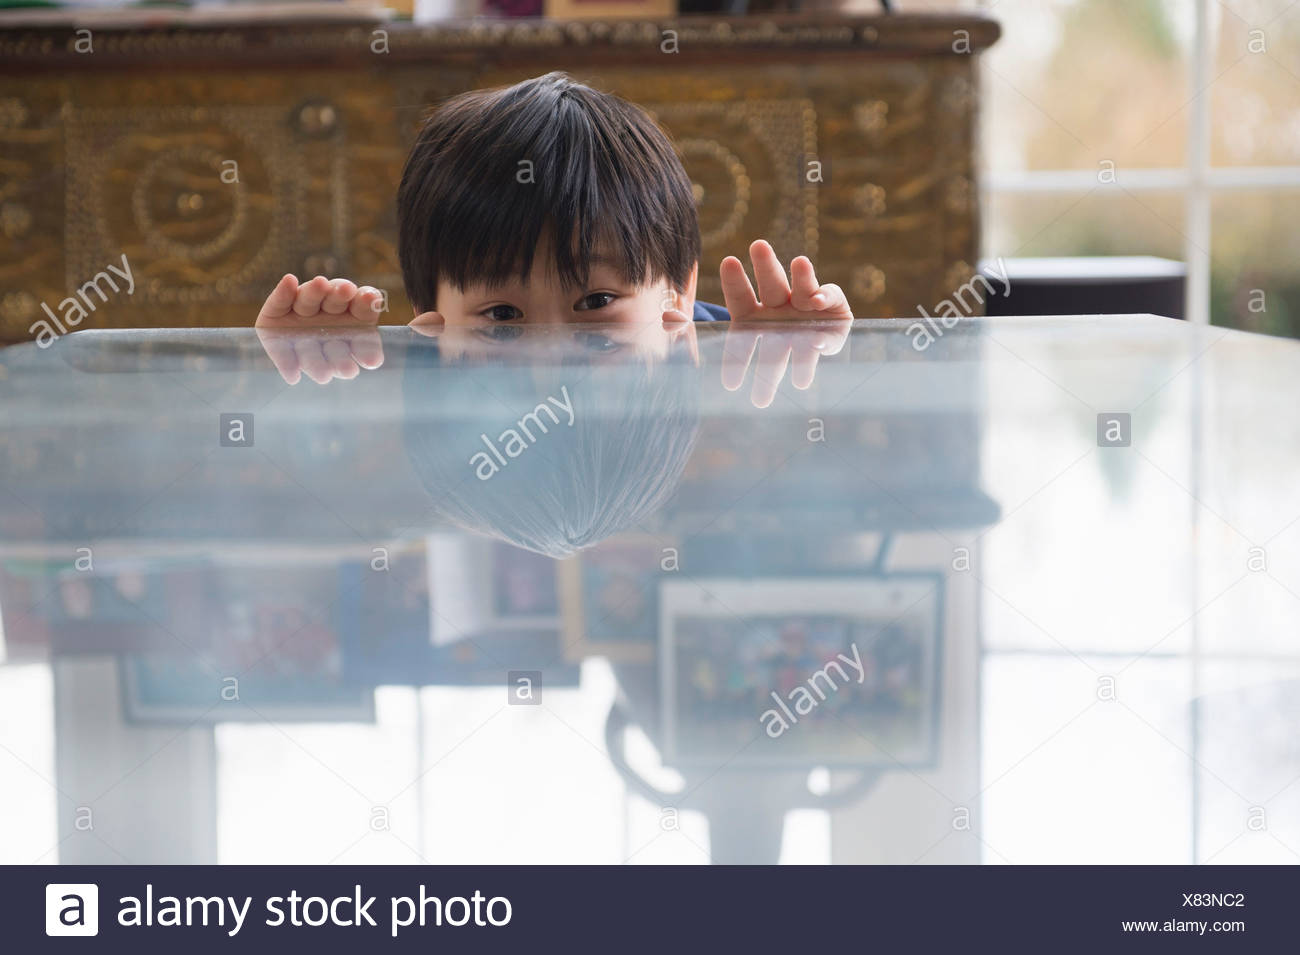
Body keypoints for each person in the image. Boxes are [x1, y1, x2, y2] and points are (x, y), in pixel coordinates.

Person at [256, 71, 852, 381]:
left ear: (680, 294)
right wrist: (299, 361)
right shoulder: (436, 384)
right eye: (502, 317)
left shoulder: (717, 353)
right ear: (429, 322)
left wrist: (796, 356)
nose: (551, 362)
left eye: (595, 301)